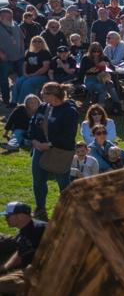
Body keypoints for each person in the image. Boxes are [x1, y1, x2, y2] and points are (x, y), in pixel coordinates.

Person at [27, 83, 79, 218]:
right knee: (38, 181)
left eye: (43, 93)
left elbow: (68, 136)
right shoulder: (43, 107)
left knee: (63, 183)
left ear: (53, 95)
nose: (41, 95)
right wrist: (33, 140)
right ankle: (40, 208)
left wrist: (49, 145)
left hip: (60, 152)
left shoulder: (69, 111)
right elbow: (33, 123)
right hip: (40, 149)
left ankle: (69, 210)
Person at [0, 202, 47, 294]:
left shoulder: (40, 230)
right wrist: (4, 267)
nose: (6, 219)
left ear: (20, 216)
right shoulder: (25, 230)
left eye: (8, 216)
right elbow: (20, 251)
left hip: (41, 271)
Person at [11, 37, 50, 105]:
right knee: (18, 81)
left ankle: (23, 103)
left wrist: (34, 74)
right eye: (34, 41)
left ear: (43, 43)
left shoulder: (45, 52)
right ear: (32, 42)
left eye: (39, 41)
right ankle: (13, 102)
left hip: (42, 76)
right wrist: (25, 73)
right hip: (29, 75)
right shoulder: (28, 52)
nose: (37, 42)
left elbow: (45, 67)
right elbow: (24, 65)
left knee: (27, 83)